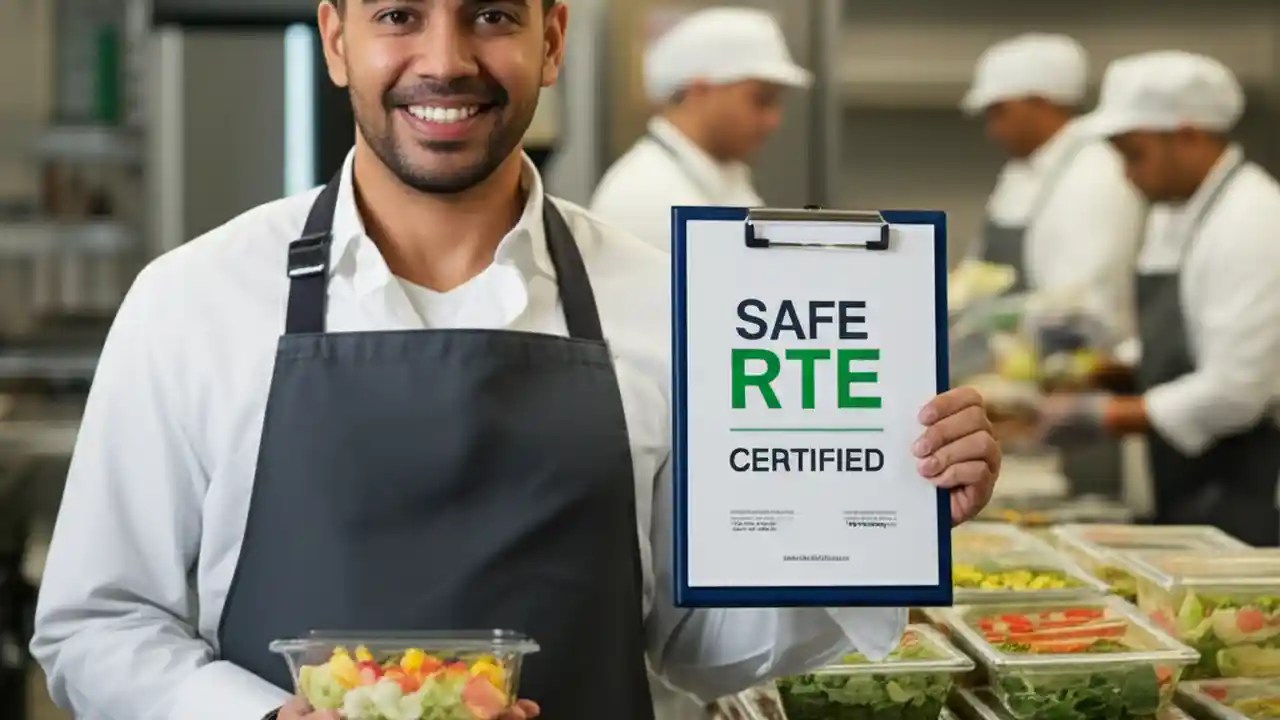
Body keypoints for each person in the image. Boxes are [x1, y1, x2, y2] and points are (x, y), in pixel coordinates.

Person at [29, 2, 1001, 720]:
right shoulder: (193, 299)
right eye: (399, 17)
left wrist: (882, 523)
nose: (445, 61)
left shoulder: (671, 304)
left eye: (490, 15)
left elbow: (692, 647)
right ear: (336, 41)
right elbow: (97, 624)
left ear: (551, 37)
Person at [1042, 51, 1280, 546]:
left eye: (1134, 154)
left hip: (1247, 482)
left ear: (1189, 135)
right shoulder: (1176, 213)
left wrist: (1098, 417)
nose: (1126, 175)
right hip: (1189, 480)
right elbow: (1180, 338)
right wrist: (1103, 371)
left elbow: (1236, 390)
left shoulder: (1253, 220)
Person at [961, 33, 1146, 337]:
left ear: (1041, 102)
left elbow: (1085, 297)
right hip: (1012, 356)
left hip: (1076, 360)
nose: (992, 128)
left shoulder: (1098, 173)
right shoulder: (1019, 172)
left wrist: (1003, 315)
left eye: (999, 111)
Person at [589, 7, 811, 253]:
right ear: (699, 93)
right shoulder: (642, 197)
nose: (773, 120)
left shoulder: (725, 176)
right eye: (761, 100)